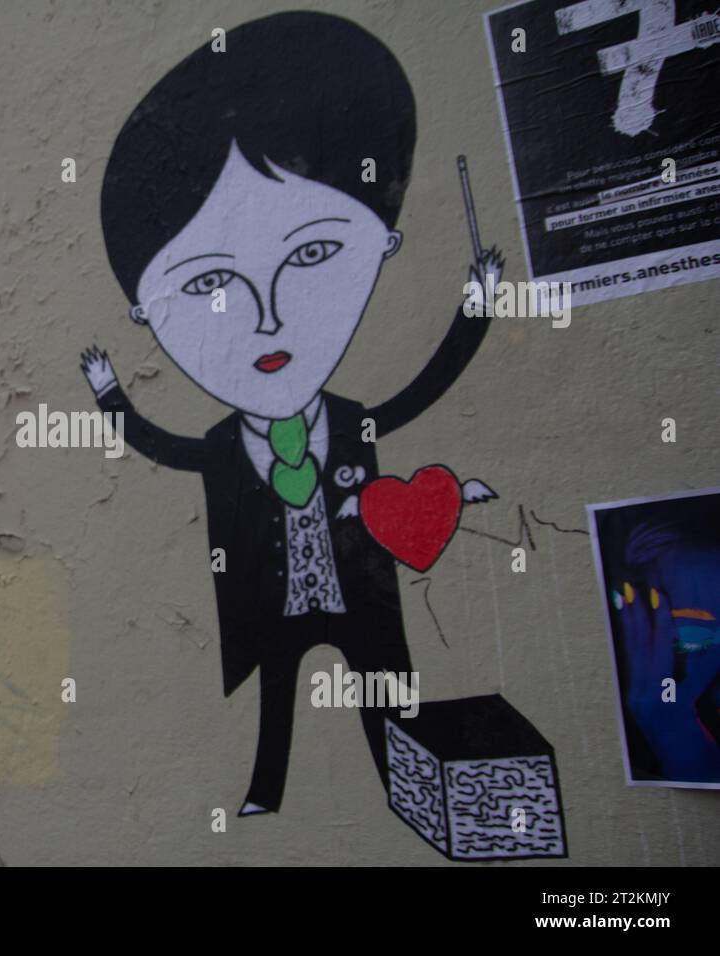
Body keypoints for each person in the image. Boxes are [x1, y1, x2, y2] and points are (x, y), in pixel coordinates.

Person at [80, 11, 512, 818]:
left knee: (384, 689)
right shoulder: (218, 446)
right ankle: (263, 795)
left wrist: (475, 310)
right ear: (146, 312)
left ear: (383, 242)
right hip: (272, 600)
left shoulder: (352, 424)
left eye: (313, 253)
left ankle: (404, 790)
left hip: (358, 590)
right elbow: (160, 447)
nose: (269, 321)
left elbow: (422, 391)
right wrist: (110, 398)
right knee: (276, 701)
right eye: (209, 284)